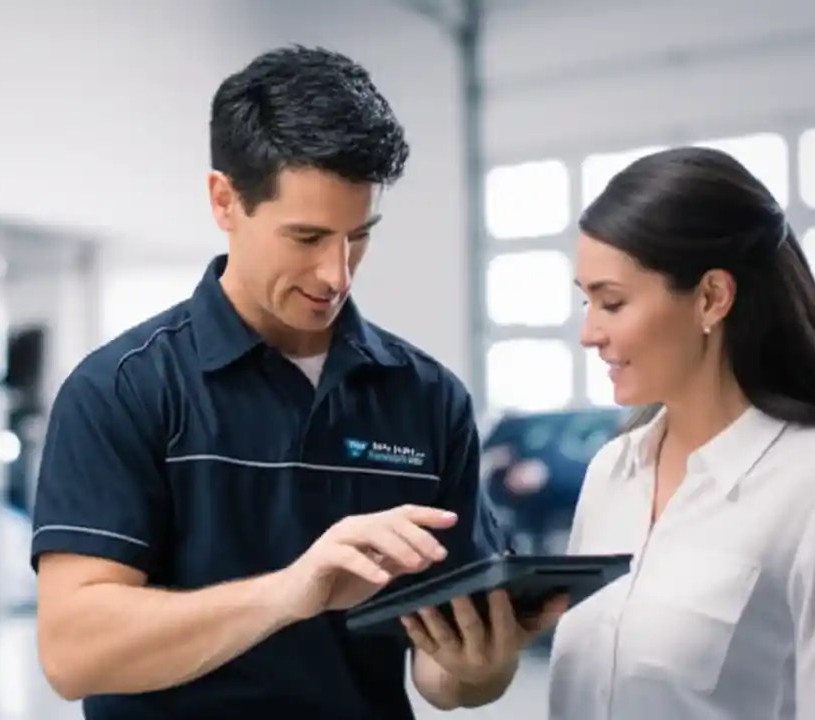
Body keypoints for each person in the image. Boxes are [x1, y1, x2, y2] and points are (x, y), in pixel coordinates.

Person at [30, 45, 563, 719]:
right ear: (224, 200)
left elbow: (445, 675)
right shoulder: (124, 390)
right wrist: (293, 591)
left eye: (358, 236)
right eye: (307, 237)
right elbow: (74, 653)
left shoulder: (428, 399)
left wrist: (477, 668)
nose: (336, 274)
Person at [554, 146, 815, 719]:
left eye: (611, 302)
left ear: (712, 297)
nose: (589, 332)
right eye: (585, 301)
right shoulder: (612, 472)